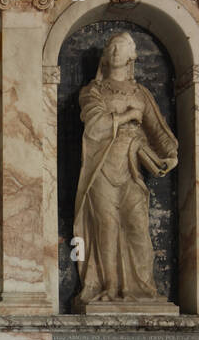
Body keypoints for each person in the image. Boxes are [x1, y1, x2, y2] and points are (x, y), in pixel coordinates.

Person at [72, 32, 178, 308]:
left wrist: (170, 155)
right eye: (111, 46)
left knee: (138, 226)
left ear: (132, 56)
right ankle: (108, 287)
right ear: (105, 56)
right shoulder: (93, 91)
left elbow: (157, 129)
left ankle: (142, 290)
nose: (115, 50)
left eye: (122, 47)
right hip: (101, 166)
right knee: (105, 227)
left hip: (131, 167)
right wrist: (127, 117)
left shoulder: (140, 93)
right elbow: (94, 125)